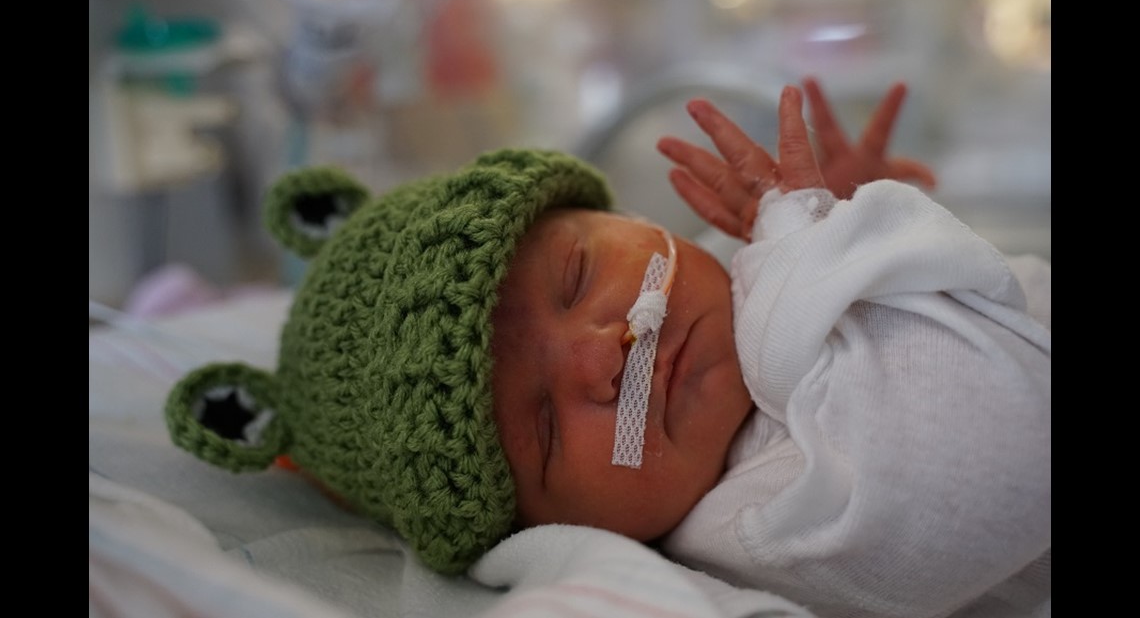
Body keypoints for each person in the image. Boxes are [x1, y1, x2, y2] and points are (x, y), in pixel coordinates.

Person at [164, 79, 1049, 618]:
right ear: (551, 531)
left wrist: (849, 223)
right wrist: (821, 248)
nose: (607, 353)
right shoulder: (758, 520)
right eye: (544, 425)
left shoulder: (740, 294)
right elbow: (1007, 454)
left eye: (578, 273)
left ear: (627, 215)